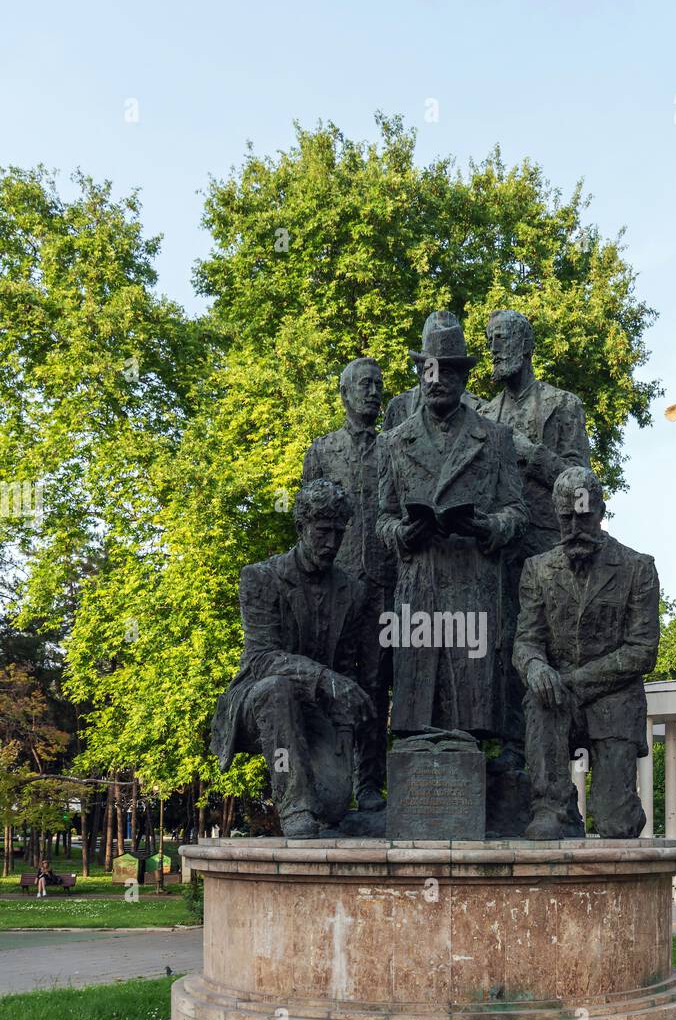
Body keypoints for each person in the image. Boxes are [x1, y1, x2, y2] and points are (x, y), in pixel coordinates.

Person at [377, 316, 527, 738]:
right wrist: (401, 534)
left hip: (473, 586)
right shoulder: (394, 442)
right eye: (428, 371)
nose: (436, 380)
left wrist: (486, 527)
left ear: (463, 376)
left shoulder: (496, 438)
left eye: (446, 371)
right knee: (415, 718)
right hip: (418, 588)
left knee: (471, 720)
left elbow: (517, 511)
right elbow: (382, 518)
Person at [210, 480, 375, 837]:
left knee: (333, 804)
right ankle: (294, 807)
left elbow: (346, 668)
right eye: (322, 532)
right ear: (301, 528)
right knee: (277, 688)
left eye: (338, 533)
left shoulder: (352, 591)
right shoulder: (261, 577)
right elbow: (262, 657)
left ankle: (315, 803)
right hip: (259, 701)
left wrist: (345, 734)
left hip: (317, 709)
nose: (331, 543)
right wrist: (325, 679)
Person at [513, 465, 660, 839]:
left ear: (601, 510)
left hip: (613, 700)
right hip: (557, 699)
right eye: (567, 520)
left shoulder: (638, 568)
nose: (576, 528)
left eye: (584, 517)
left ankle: (620, 805)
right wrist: (534, 668)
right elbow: (526, 640)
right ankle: (552, 805)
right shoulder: (537, 570)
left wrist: (576, 680)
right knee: (539, 698)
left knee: (616, 825)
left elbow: (642, 650)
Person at [481, 309, 592, 770]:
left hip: (549, 547)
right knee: (503, 644)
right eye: (489, 342)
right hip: (499, 552)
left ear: (526, 346)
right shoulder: (483, 415)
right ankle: (510, 746)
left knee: (550, 647)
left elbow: (582, 483)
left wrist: (532, 455)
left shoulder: (562, 405)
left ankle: (550, 752)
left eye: (502, 340)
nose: (494, 350)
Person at [303, 358, 393, 811]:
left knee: (377, 683)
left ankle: (370, 785)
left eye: (379, 385)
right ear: (344, 393)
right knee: (333, 681)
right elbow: (307, 522)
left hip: (383, 587)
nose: (374, 392)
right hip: (335, 589)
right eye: (365, 385)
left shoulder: (393, 447)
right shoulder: (322, 451)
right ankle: (330, 783)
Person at [382, 311, 485, 431]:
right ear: (420, 370)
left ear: (463, 375)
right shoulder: (399, 406)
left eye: (445, 371)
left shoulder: (480, 407)